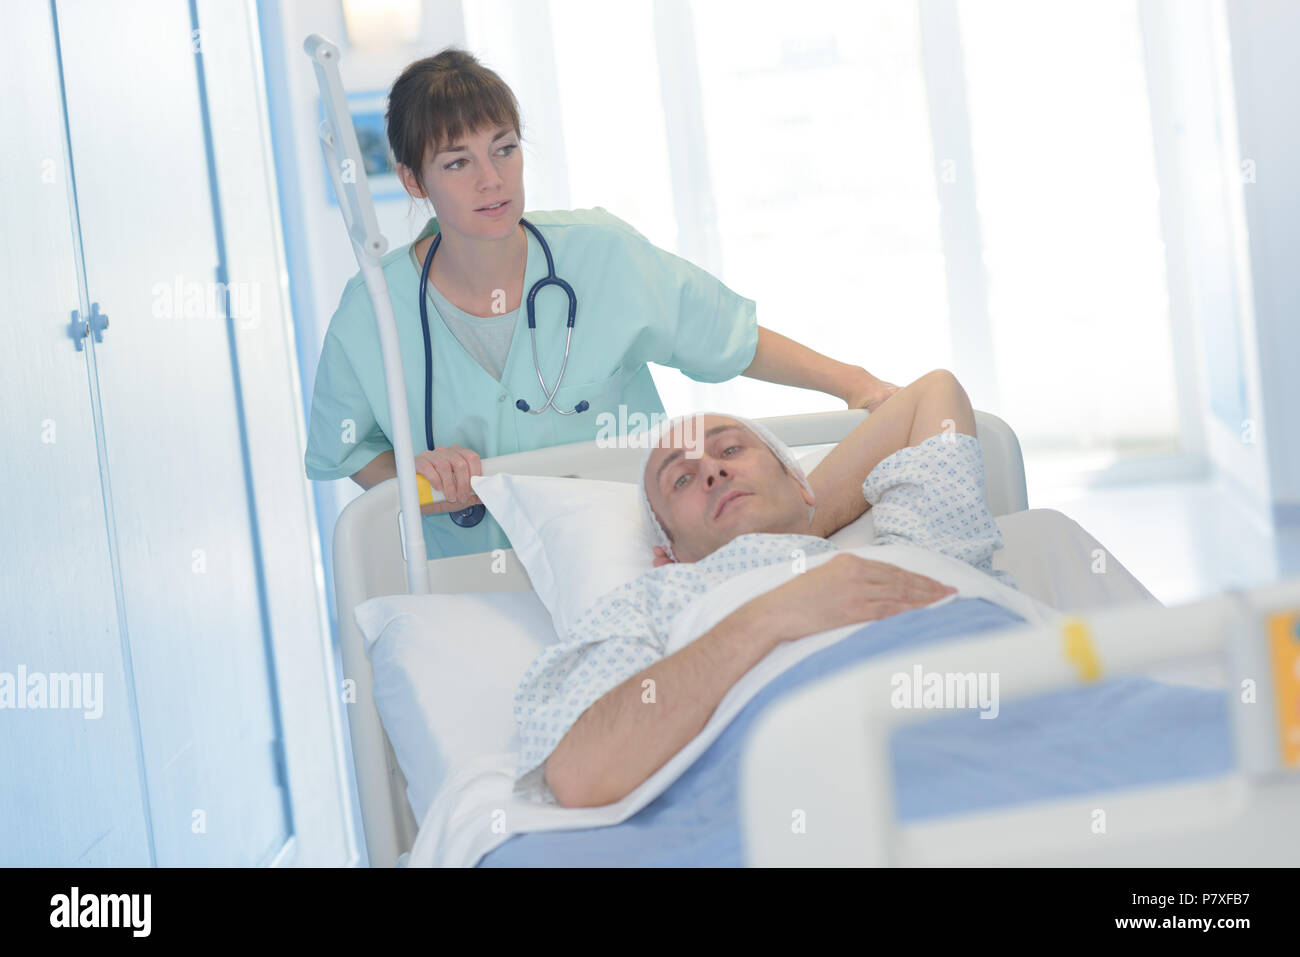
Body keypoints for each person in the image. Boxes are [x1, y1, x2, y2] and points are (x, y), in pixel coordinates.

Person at [304, 47, 901, 560]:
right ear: (413, 181)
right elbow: (352, 447)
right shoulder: (373, 310)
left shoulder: (600, 256)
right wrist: (418, 479)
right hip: (475, 579)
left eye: (504, 149)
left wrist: (856, 384)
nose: (492, 179)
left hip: (631, 560)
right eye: (458, 162)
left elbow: (730, 338)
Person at [513, 369, 1029, 808]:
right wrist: (773, 612)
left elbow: (933, 393)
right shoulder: (653, 603)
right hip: (811, 790)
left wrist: (798, 523)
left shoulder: (907, 549)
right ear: (667, 556)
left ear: (803, 484)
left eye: (730, 450)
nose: (711, 468)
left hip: (994, 736)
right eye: (682, 480)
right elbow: (583, 773)